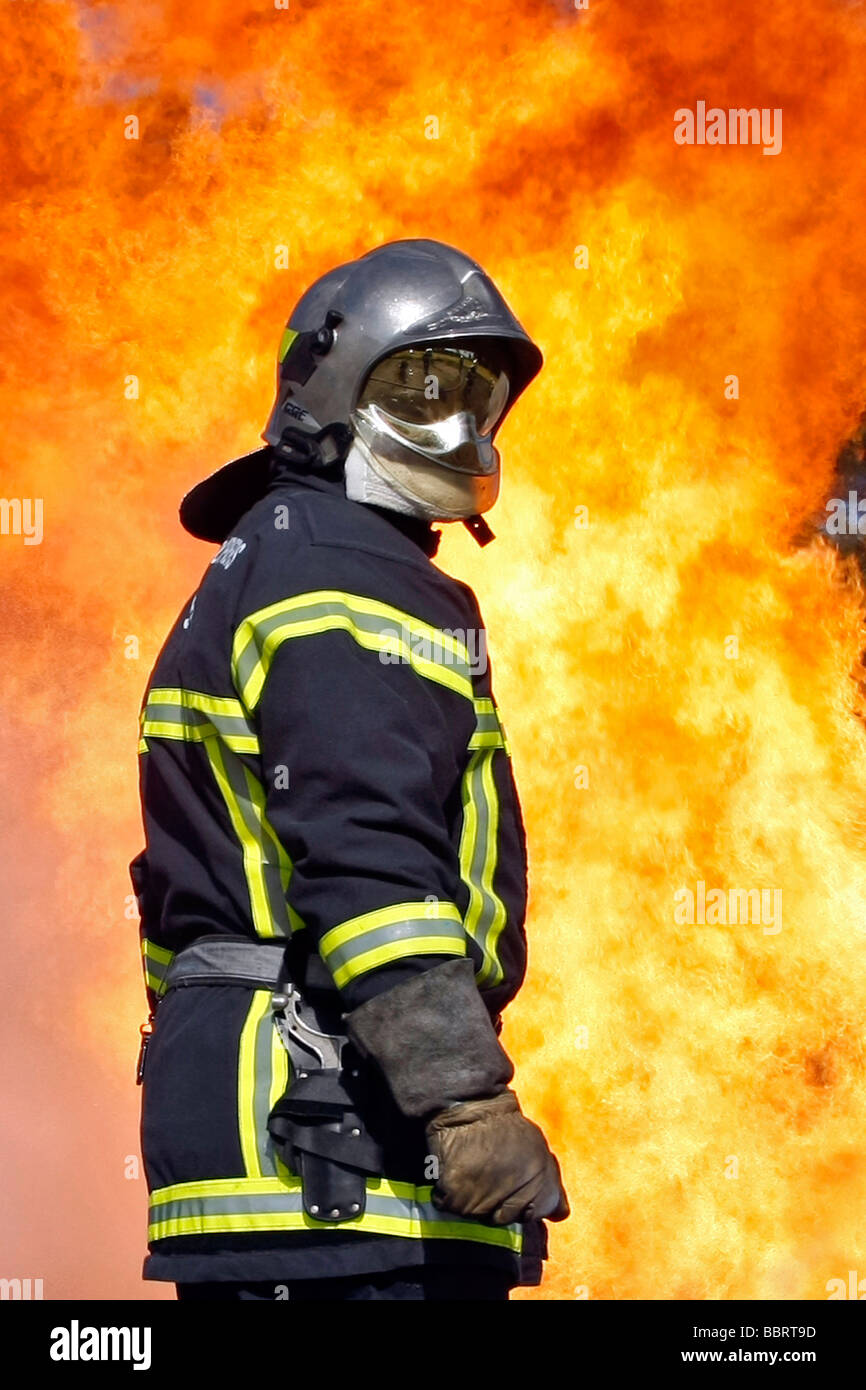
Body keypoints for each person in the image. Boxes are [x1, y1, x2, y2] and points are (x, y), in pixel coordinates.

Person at [129, 238, 569, 1302]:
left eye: (477, 397)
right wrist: (463, 1103)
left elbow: (195, 901)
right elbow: (368, 861)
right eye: (424, 386)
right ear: (334, 383)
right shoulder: (340, 568)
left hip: (272, 1150)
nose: (459, 426)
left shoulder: (272, 554)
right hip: (335, 1164)